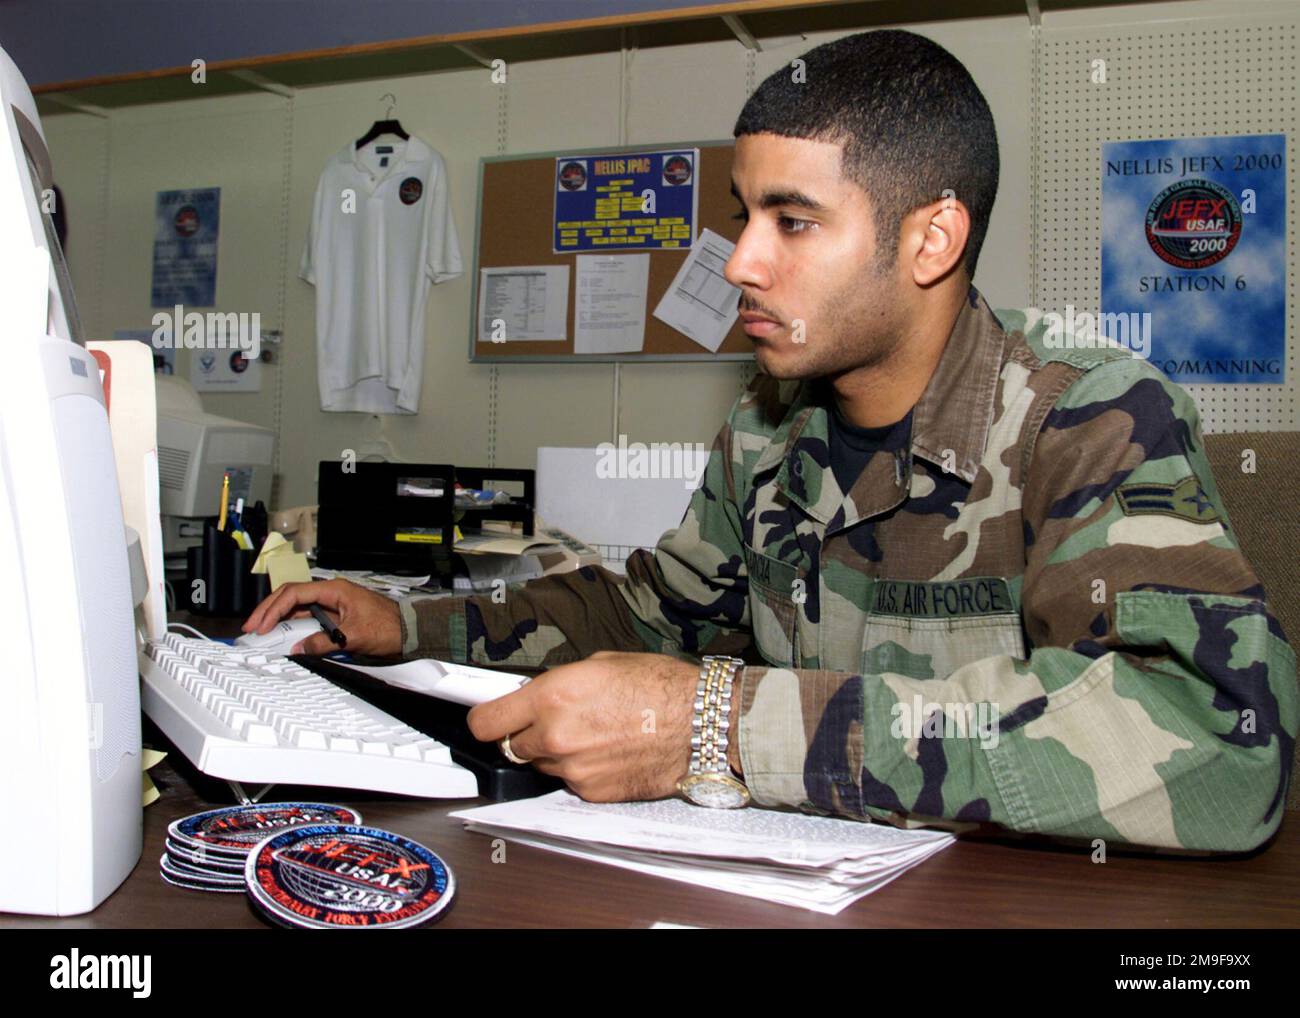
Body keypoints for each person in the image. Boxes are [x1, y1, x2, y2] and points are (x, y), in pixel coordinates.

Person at [245, 29, 1296, 852]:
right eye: (742, 213)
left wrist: (716, 727)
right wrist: (411, 627)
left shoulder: (1091, 411)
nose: (738, 261)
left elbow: (1216, 743)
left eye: (790, 222)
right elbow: (648, 612)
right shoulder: (767, 423)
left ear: (929, 239)